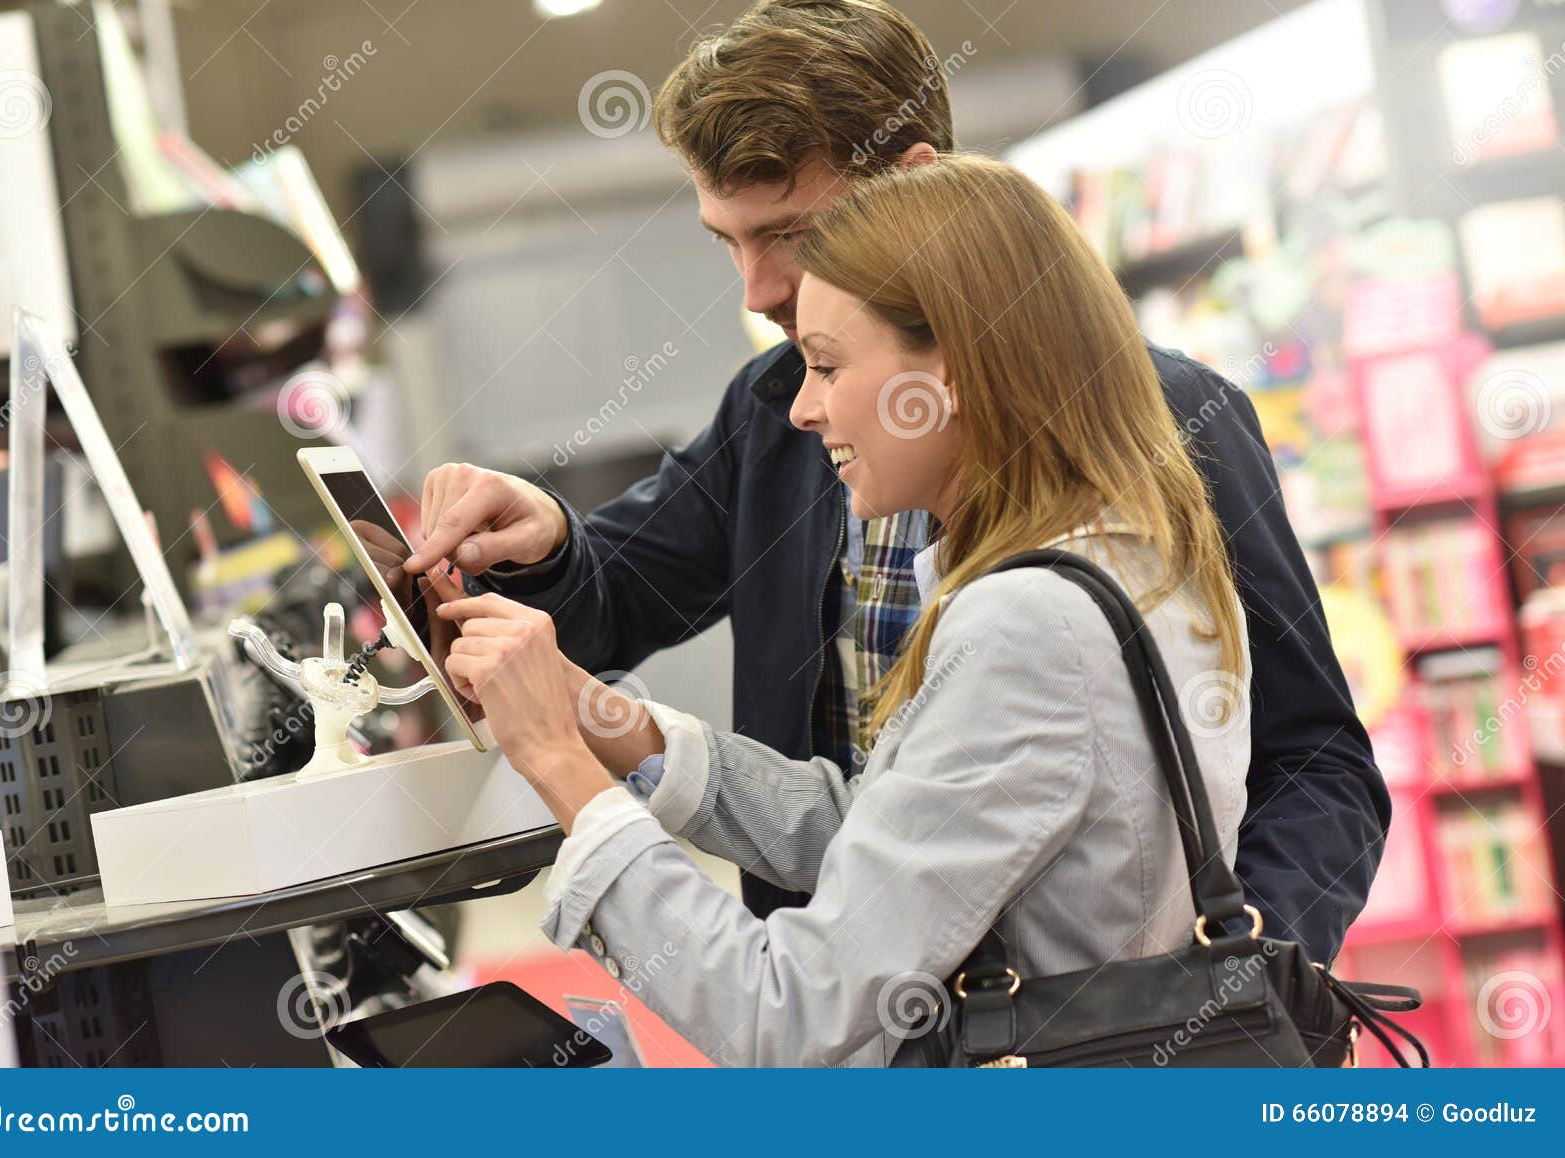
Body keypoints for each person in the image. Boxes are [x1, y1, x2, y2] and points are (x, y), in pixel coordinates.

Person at [403, 0, 1387, 964]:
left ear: (916, 186)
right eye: (727, 242)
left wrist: (1245, 987)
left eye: (789, 234)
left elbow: (1314, 759)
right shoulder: (775, 411)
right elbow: (622, 605)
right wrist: (547, 544)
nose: (756, 292)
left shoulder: (1166, 419)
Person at [427, 155, 1252, 1066]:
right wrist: (592, 714)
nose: (805, 410)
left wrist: (554, 761)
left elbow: (787, 1020)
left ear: (955, 370)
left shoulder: (1026, 623)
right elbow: (880, 830)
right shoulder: (1123, 552)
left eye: (825, 366)